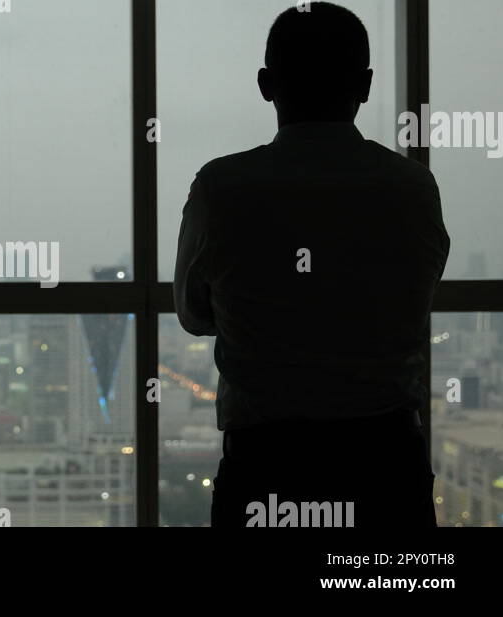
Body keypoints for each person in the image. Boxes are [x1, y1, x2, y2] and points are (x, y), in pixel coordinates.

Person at [174, 1, 451, 527]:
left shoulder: (222, 188)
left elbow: (194, 315)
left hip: (266, 462)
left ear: (265, 83)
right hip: (384, 463)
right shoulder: (412, 188)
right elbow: (415, 296)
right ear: (365, 85)